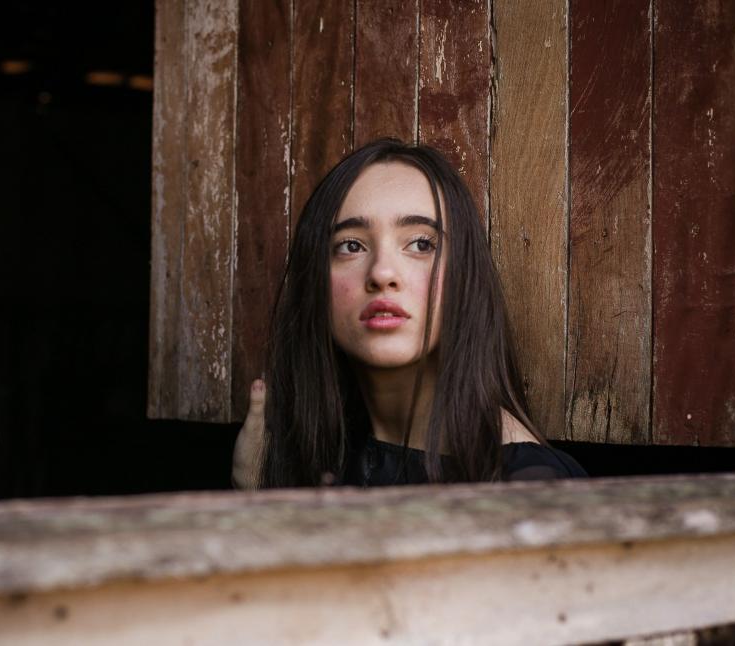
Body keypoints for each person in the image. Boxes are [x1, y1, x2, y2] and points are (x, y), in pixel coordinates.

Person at [232, 138, 587, 489]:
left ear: (465, 275)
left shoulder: (532, 483)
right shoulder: (319, 452)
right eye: (351, 246)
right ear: (315, 281)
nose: (382, 273)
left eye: (421, 244)